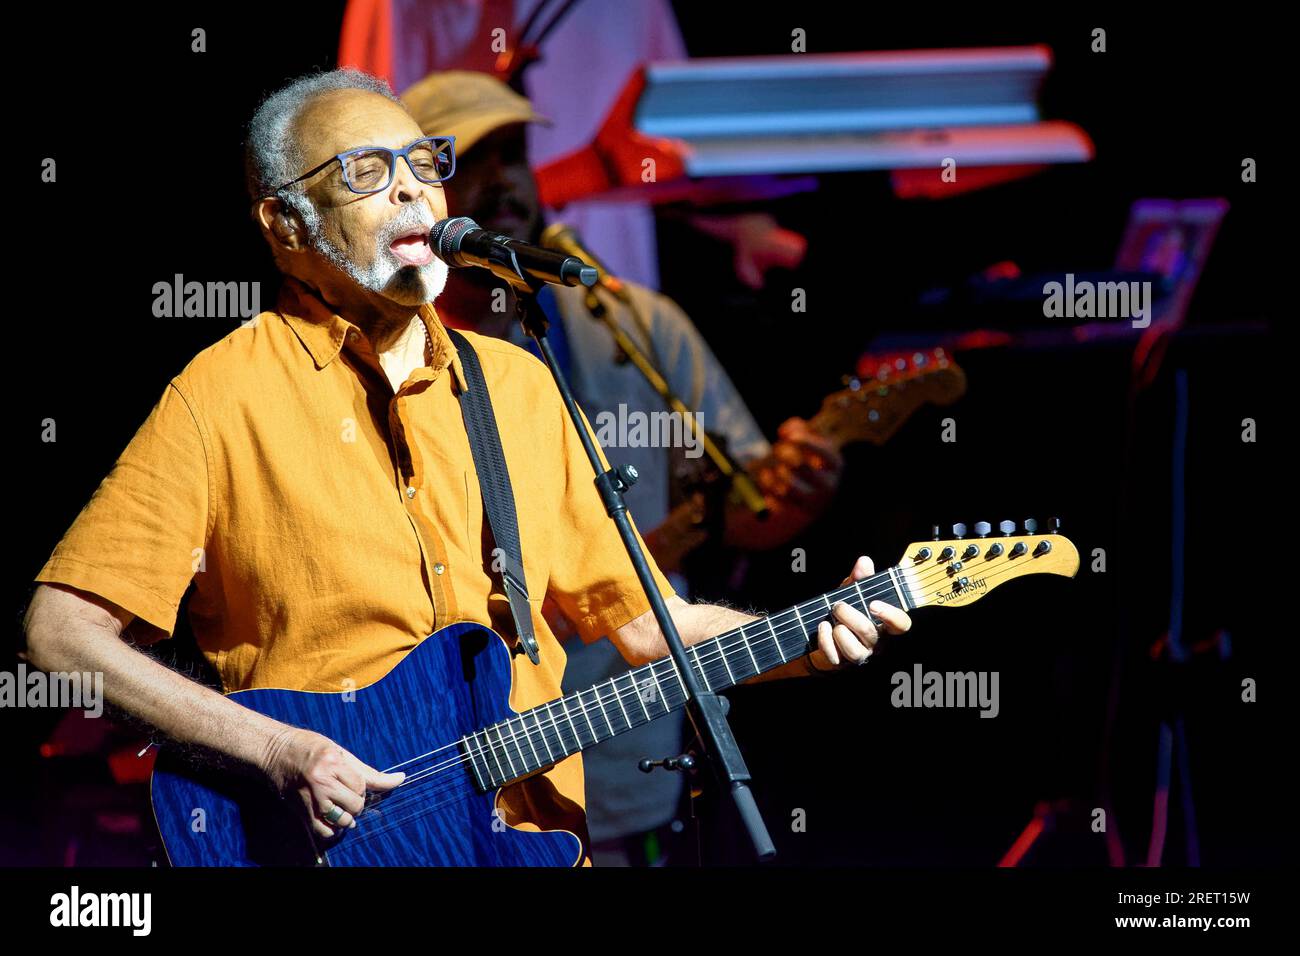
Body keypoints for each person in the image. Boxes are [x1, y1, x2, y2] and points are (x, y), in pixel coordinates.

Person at [21, 69, 909, 866]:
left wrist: (803, 645)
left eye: (422, 162)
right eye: (366, 170)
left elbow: (651, 630)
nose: (412, 186)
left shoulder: (519, 387)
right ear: (285, 223)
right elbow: (60, 634)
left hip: (527, 844)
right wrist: (279, 752)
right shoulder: (220, 396)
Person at [404, 70, 848, 864]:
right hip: (452, 769)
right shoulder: (395, 354)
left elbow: (748, 508)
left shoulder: (634, 325)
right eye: (470, 160)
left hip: (626, 753)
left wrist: (801, 493)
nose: (504, 180)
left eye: (515, 154)